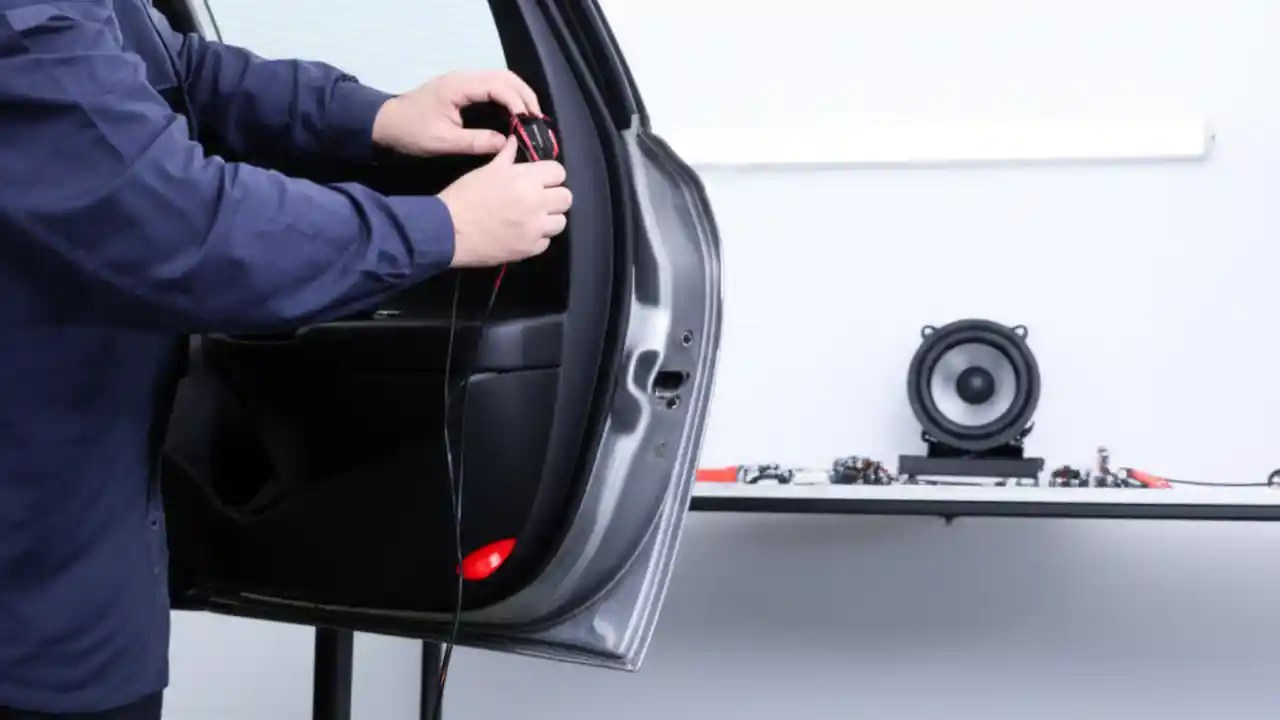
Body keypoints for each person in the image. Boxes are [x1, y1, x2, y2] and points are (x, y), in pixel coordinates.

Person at [0, 0, 572, 716]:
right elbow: (188, 231)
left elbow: (172, 69)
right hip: (33, 570)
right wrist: (443, 229)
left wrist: (375, 116)